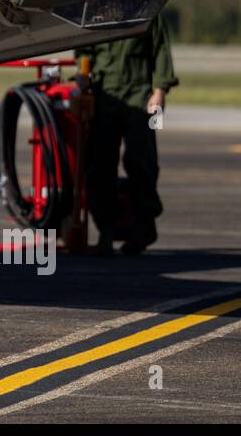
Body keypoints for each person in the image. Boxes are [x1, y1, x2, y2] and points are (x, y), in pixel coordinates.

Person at [76, 14, 179, 255]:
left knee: (143, 161)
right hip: (105, 97)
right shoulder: (95, 10)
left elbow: (161, 49)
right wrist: (83, 73)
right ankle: (106, 231)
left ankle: (145, 227)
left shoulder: (148, 8)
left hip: (142, 97)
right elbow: (83, 50)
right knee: (99, 165)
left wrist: (160, 91)